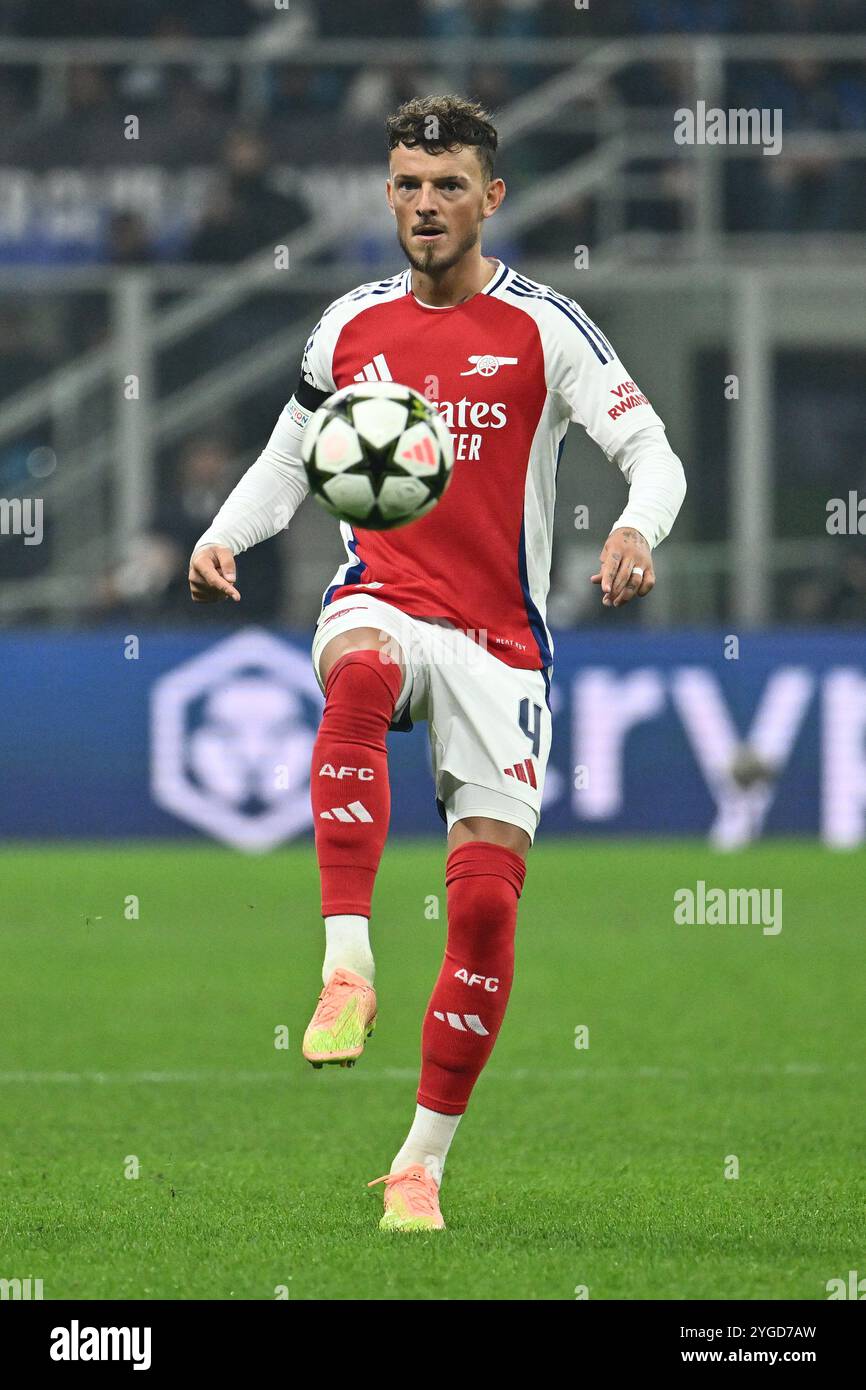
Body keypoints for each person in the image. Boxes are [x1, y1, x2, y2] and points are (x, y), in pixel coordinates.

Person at [188, 95, 686, 1231]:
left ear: (490, 198)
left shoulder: (544, 327)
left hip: (501, 641)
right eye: (409, 186)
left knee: (484, 912)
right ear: (386, 193)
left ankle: (418, 1163)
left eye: (449, 186)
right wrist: (226, 530)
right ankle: (347, 965)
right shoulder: (349, 327)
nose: (425, 206)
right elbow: (291, 450)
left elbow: (648, 448)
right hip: (383, 596)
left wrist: (632, 528)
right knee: (355, 671)